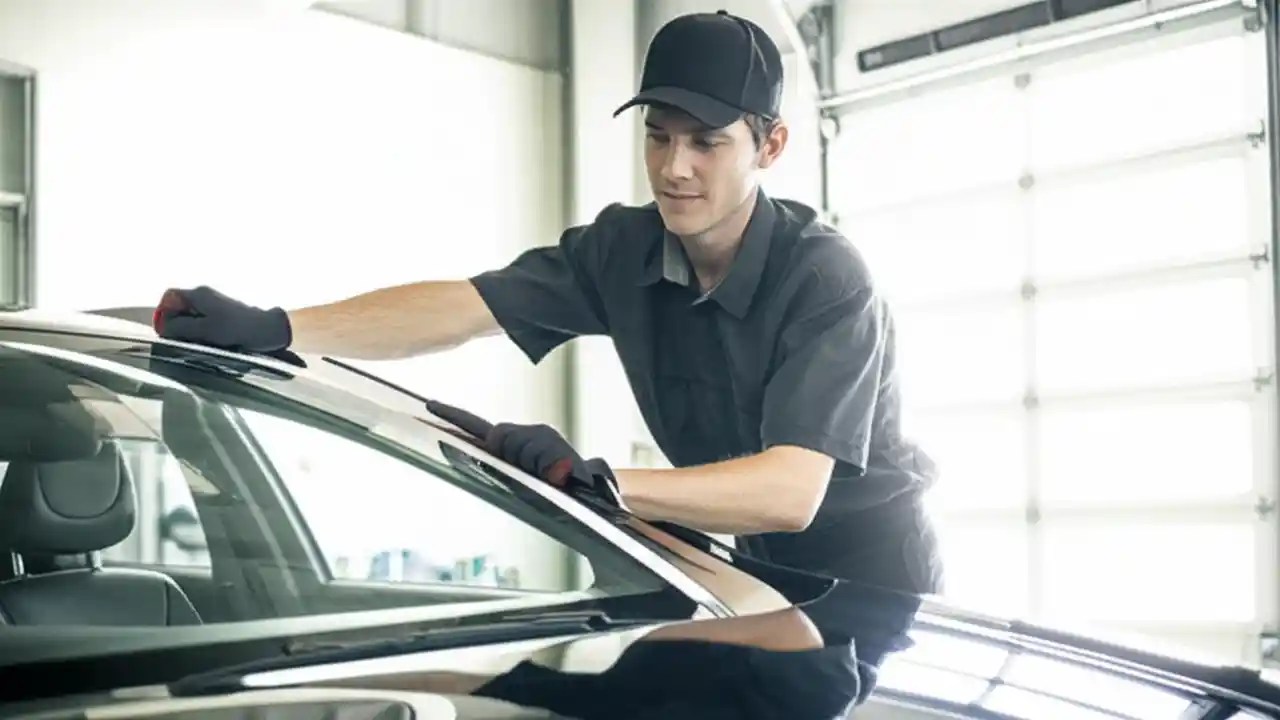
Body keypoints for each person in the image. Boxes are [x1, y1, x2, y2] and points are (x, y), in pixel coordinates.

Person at [152, 10, 943, 594]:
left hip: (880, 578)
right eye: (658, 136)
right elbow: (462, 308)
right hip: (749, 566)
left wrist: (596, 482)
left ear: (769, 146)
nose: (674, 168)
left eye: (706, 142)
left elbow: (788, 493)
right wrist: (283, 327)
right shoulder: (621, 250)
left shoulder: (827, 279)